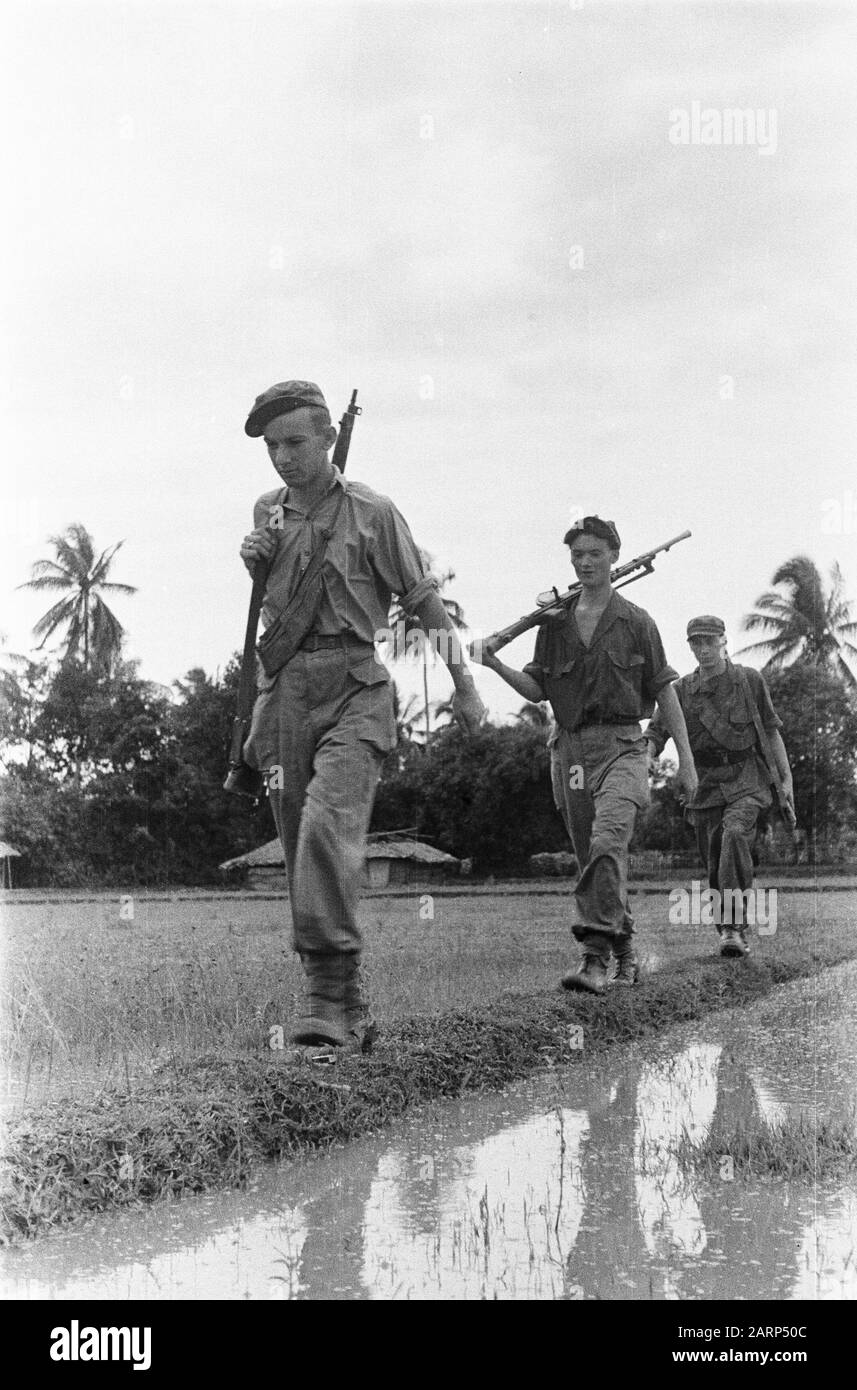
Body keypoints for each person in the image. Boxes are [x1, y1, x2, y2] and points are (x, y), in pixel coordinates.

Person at [239, 380, 485, 1051]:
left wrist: (463, 684)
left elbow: (423, 600)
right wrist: (254, 563)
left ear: (327, 437)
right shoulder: (268, 513)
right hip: (285, 692)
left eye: (294, 442)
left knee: (324, 826)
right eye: (271, 447)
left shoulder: (373, 512)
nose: (283, 458)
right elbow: (273, 612)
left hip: (355, 687)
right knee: (296, 846)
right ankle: (335, 993)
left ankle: (330, 1000)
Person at [471, 516, 697, 994]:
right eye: (578, 555)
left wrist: (688, 764)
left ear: (614, 556)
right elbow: (537, 689)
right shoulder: (553, 624)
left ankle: (593, 959)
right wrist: (493, 662)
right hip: (570, 752)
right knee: (590, 857)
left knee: (607, 843)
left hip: (623, 748)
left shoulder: (637, 622)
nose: (586, 561)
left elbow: (666, 692)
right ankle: (627, 954)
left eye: (595, 553)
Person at [646, 615, 794, 957]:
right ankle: (728, 930)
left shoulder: (749, 681)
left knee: (734, 837)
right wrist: (648, 755)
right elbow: (656, 732)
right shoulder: (681, 691)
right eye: (696, 643)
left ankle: (733, 929)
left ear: (723, 641)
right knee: (714, 863)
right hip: (705, 786)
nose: (703, 649)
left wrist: (785, 780)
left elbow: (770, 732)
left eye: (709, 641)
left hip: (747, 779)